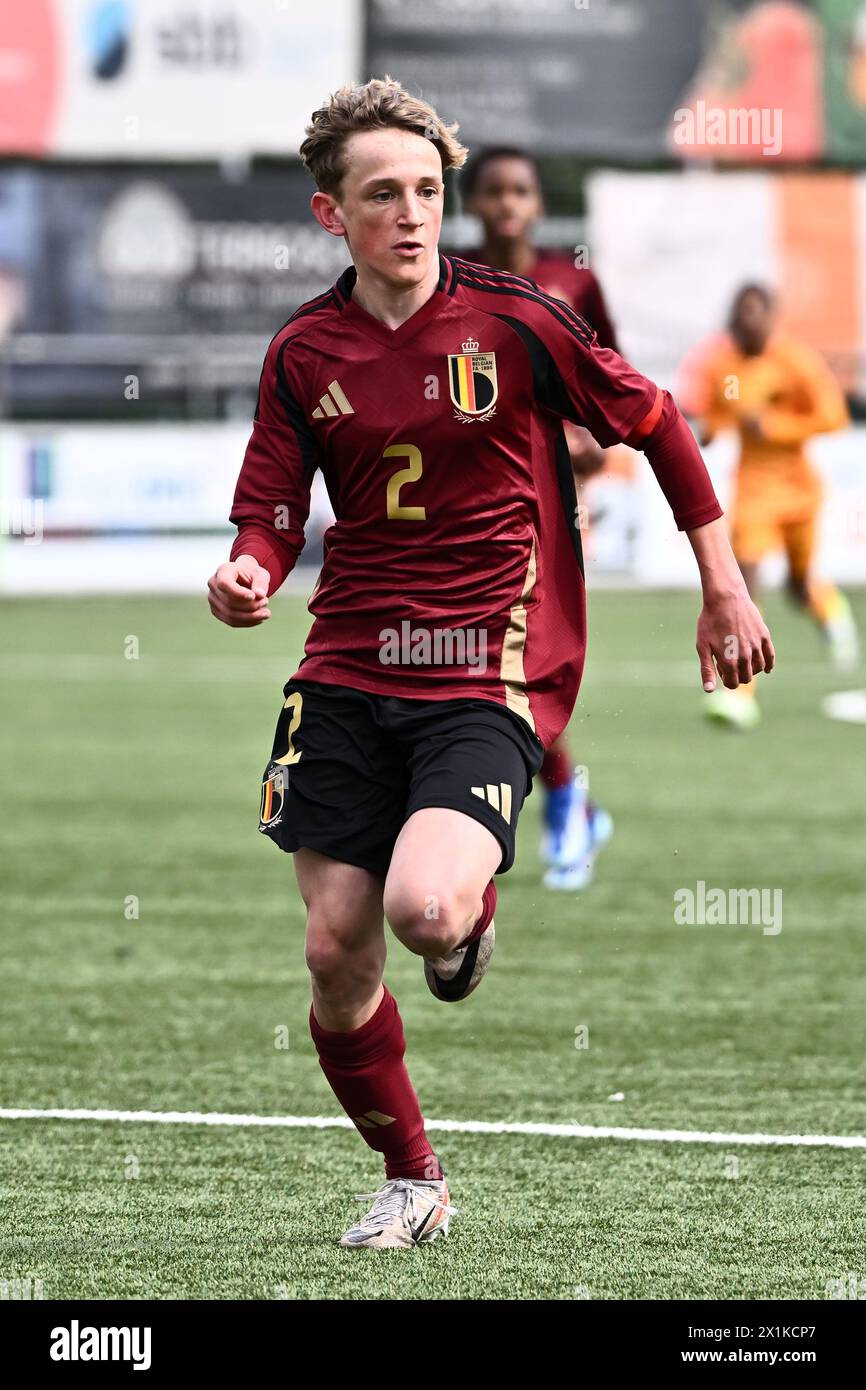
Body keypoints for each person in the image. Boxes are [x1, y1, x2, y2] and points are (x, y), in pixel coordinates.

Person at [207, 78, 774, 1250]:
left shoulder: (515, 321)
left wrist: (719, 581)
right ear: (332, 215)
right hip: (344, 667)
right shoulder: (303, 349)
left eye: (426, 190)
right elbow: (269, 510)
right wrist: (250, 569)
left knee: (420, 911)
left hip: (483, 667)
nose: (412, 214)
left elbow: (659, 422)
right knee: (331, 946)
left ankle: (465, 915)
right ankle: (411, 1174)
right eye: (382, 195)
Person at [460, 145, 618, 889]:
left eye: (521, 189)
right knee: (486, 666)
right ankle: (560, 803)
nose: (507, 204)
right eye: (493, 191)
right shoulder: (444, 279)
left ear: (538, 203)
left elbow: (609, 378)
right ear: (473, 204)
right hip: (466, 503)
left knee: (511, 664)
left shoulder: (571, 280)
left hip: (548, 500)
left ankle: (565, 806)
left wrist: (590, 440)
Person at [678, 283, 856, 730]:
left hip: (799, 492)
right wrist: (705, 432)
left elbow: (833, 415)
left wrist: (774, 425)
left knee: (797, 585)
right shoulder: (725, 367)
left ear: (771, 317)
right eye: (738, 315)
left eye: (752, 314)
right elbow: (717, 415)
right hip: (754, 492)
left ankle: (830, 610)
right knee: (745, 581)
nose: (743, 323)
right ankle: (741, 694)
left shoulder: (795, 361)